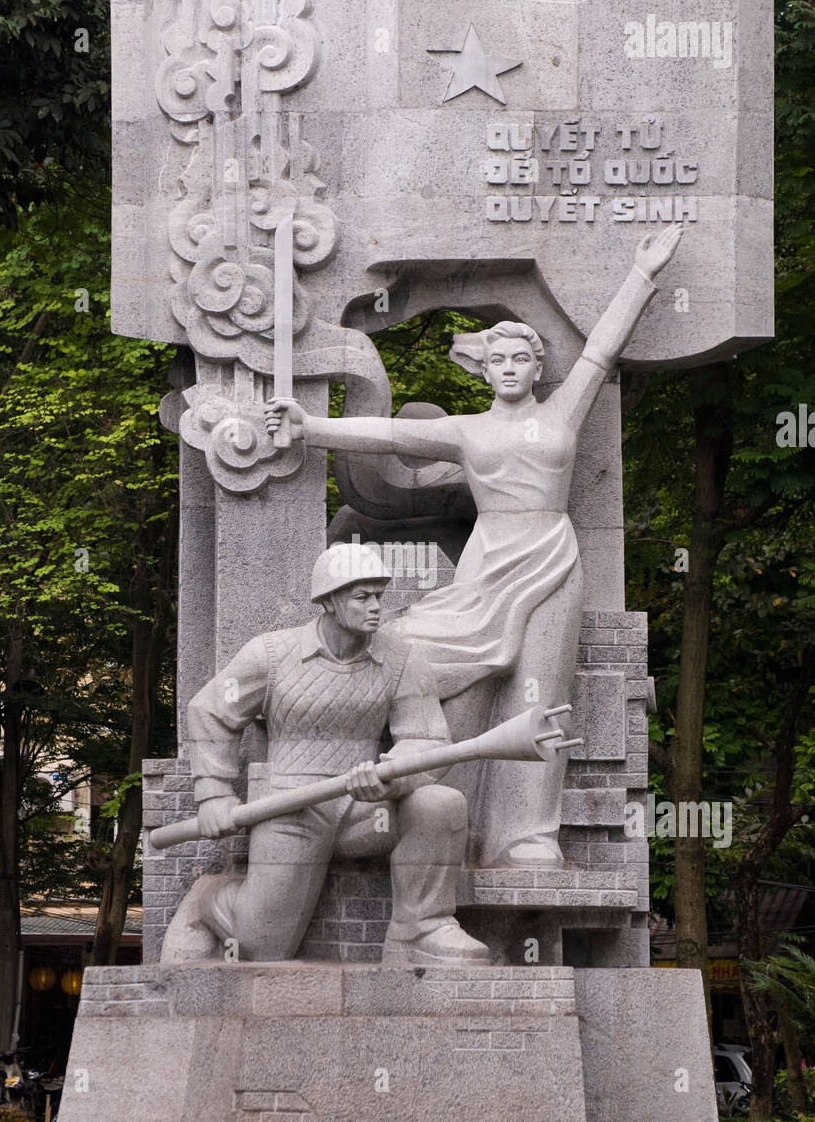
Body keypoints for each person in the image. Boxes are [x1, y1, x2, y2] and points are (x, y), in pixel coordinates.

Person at [265, 224, 683, 866]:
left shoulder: (562, 411)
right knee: (447, 671)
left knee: (542, 691)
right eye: (499, 360)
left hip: (552, 558)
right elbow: (383, 435)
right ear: (483, 369)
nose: (511, 368)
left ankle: (528, 836)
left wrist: (642, 274)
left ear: (539, 368)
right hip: (488, 565)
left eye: (522, 359)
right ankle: (442, 825)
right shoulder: (465, 432)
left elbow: (601, 349)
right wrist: (310, 426)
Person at [160, 543, 489, 966]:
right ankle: (208, 900)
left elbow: (429, 741)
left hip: (366, 809)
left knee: (440, 805)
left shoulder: (403, 661)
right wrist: (214, 794)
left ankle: (421, 930)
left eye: (378, 596)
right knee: (261, 946)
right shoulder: (273, 655)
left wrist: (394, 773)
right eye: (362, 597)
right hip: (289, 806)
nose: (375, 607)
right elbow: (209, 710)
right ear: (330, 602)